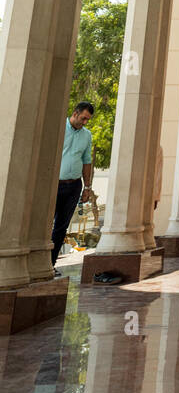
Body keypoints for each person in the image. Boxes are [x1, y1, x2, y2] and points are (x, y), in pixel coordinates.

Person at [51, 102, 95, 271]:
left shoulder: (87, 135)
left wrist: (87, 187)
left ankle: (51, 264)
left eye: (88, 120)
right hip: (55, 185)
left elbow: (86, 161)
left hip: (74, 186)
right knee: (46, 224)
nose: (85, 122)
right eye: (83, 118)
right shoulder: (58, 128)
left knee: (61, 227)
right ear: (75, 113)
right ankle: (39, 263)